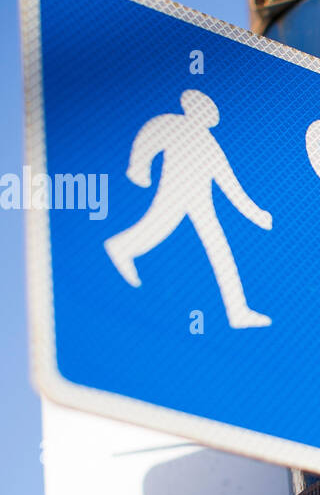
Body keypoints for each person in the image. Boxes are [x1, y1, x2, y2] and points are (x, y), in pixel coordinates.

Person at [104, 90, 273, 328]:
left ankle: (238, 311)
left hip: (199, 201)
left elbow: (229, 183)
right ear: (189, 107)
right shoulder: (171, 124)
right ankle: (120, 248)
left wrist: (257, 214)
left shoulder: (210, 144)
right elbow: (147, 140)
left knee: (216, 246)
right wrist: (138, 170)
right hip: (175, 192)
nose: (206, 116)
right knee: (159, 228)